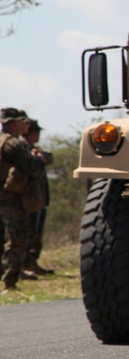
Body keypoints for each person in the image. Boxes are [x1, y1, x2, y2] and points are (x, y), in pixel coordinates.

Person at [0, 108, 45, 291]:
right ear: (13, 123)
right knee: (18, 239)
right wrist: (39, 160)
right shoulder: (15, 144)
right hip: (12, 198)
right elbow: (31, 167)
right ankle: (10, 279)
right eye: (20, 122)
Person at [23, 118, 53, 275]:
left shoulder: (35, 149)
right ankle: (24, 264)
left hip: (39, 197)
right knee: (27, 233)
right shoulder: (21, 148)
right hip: (29, 198)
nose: (38, 135)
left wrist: (40, 156)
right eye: (36, 132)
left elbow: (49, 158)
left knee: (36, 232)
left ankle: (32, 262)